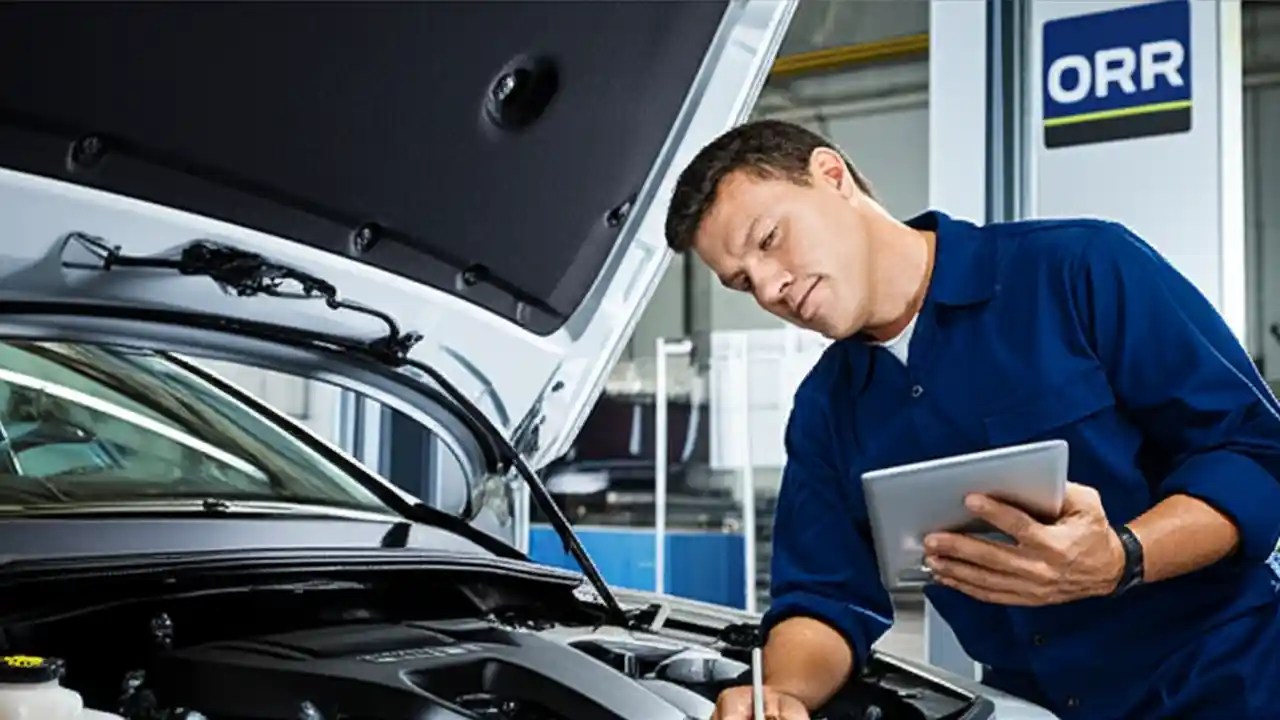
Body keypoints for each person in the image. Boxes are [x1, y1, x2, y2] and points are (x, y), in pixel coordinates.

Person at [662, 120, 1280, 720]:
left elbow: (1253, 453)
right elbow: (824, 596)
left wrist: (1123, 557)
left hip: (1223, 687)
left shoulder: (1079, 269)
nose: (770, 289)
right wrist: (785, 694)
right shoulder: (827, 407)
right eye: (743, 282)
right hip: (1030, 705)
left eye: (769, 240)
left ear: (831, 175)